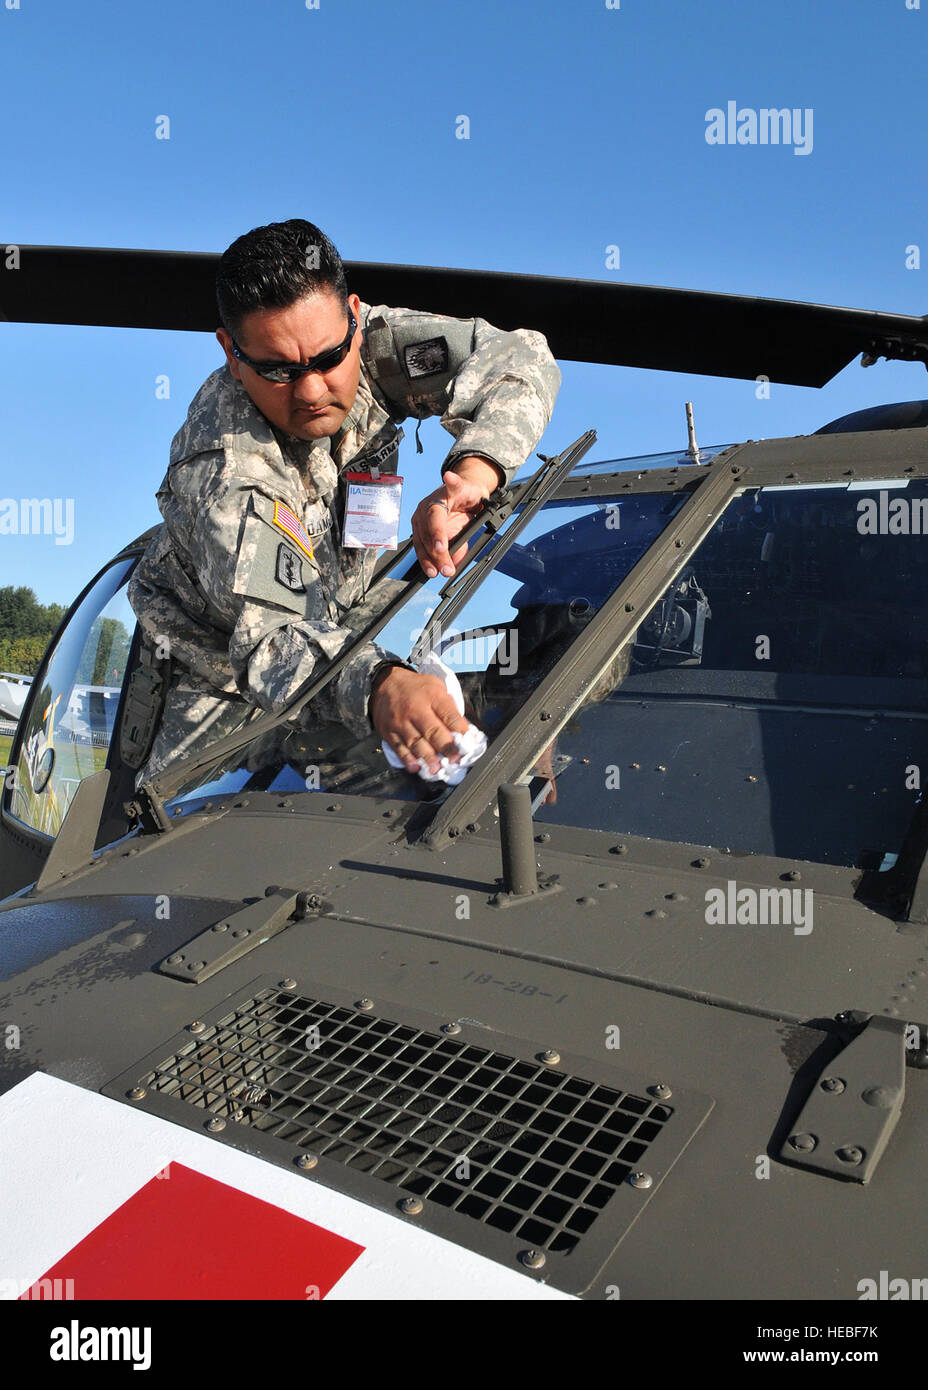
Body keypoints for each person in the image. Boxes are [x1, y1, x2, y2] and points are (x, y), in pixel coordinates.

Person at [127, 219, 561, 782]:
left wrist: (473, 472)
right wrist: (382, 684)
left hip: (345, 624)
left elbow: (520, 355)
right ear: (231, 352)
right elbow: (272, 639)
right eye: (278, 370)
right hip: (224, 682)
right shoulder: (225, 470)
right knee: (176, 835)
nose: (311, 390)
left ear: (355, 320)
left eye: (329, 358)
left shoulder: (381, 350)